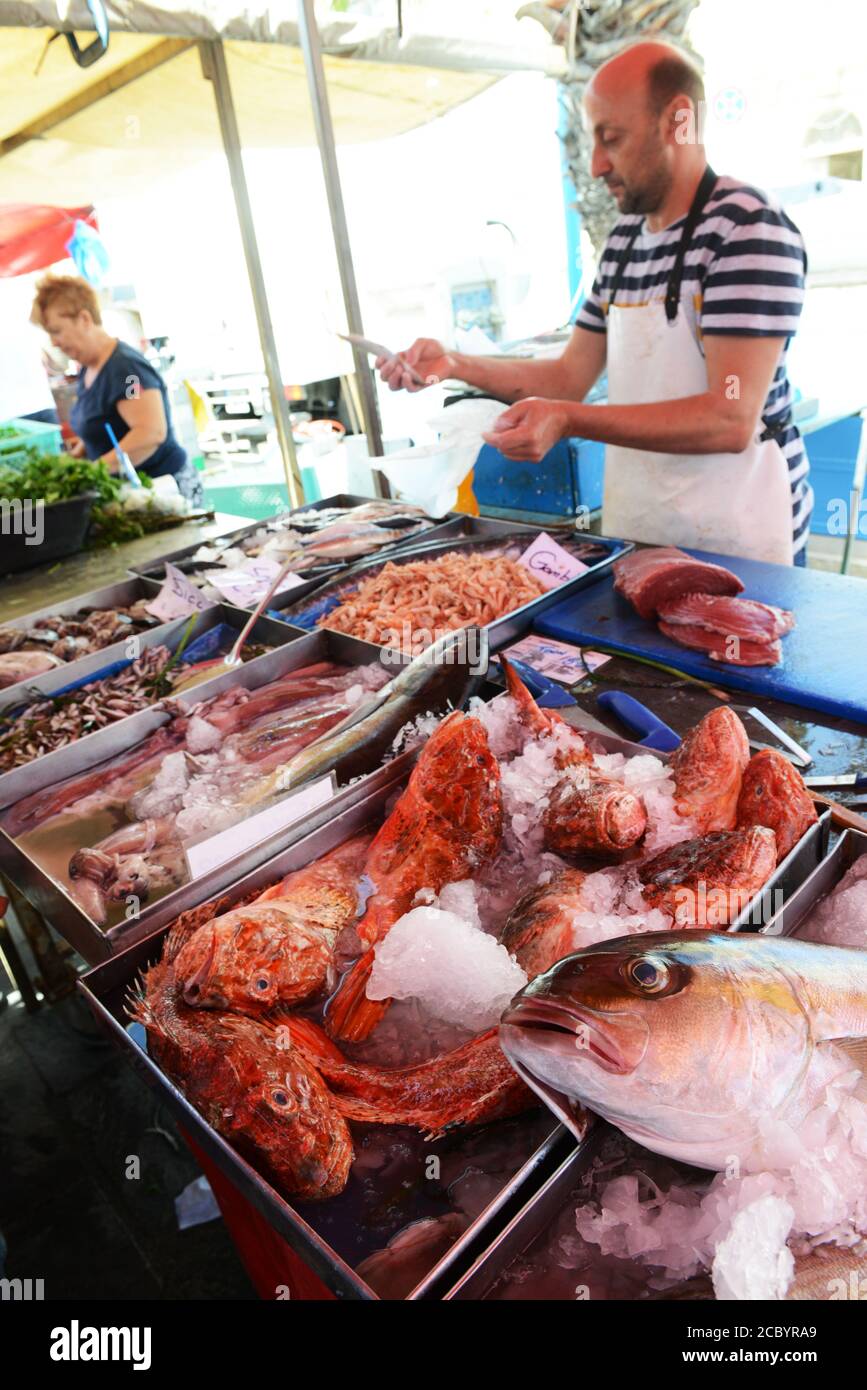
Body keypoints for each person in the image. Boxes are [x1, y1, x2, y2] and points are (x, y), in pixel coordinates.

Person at [378, 41, 811, 567]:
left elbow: (729, 413)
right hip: (644, 533)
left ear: (678, 122)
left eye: (612, 139)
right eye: (593, 141)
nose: (596, 163)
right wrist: (455, 363)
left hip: (741, 544)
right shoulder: (623, 245)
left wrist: (568, 419)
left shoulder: (746, 229)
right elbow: (568, 377)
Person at [30, 274, 203, 506]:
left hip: (163, 492)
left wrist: (94, 472)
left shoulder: (128, 371)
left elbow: (150, 433)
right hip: (127, 494)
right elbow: (102, 425)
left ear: (84, 318)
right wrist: (75, 460)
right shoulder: (88, 369)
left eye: (56, 331)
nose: (54, 342)